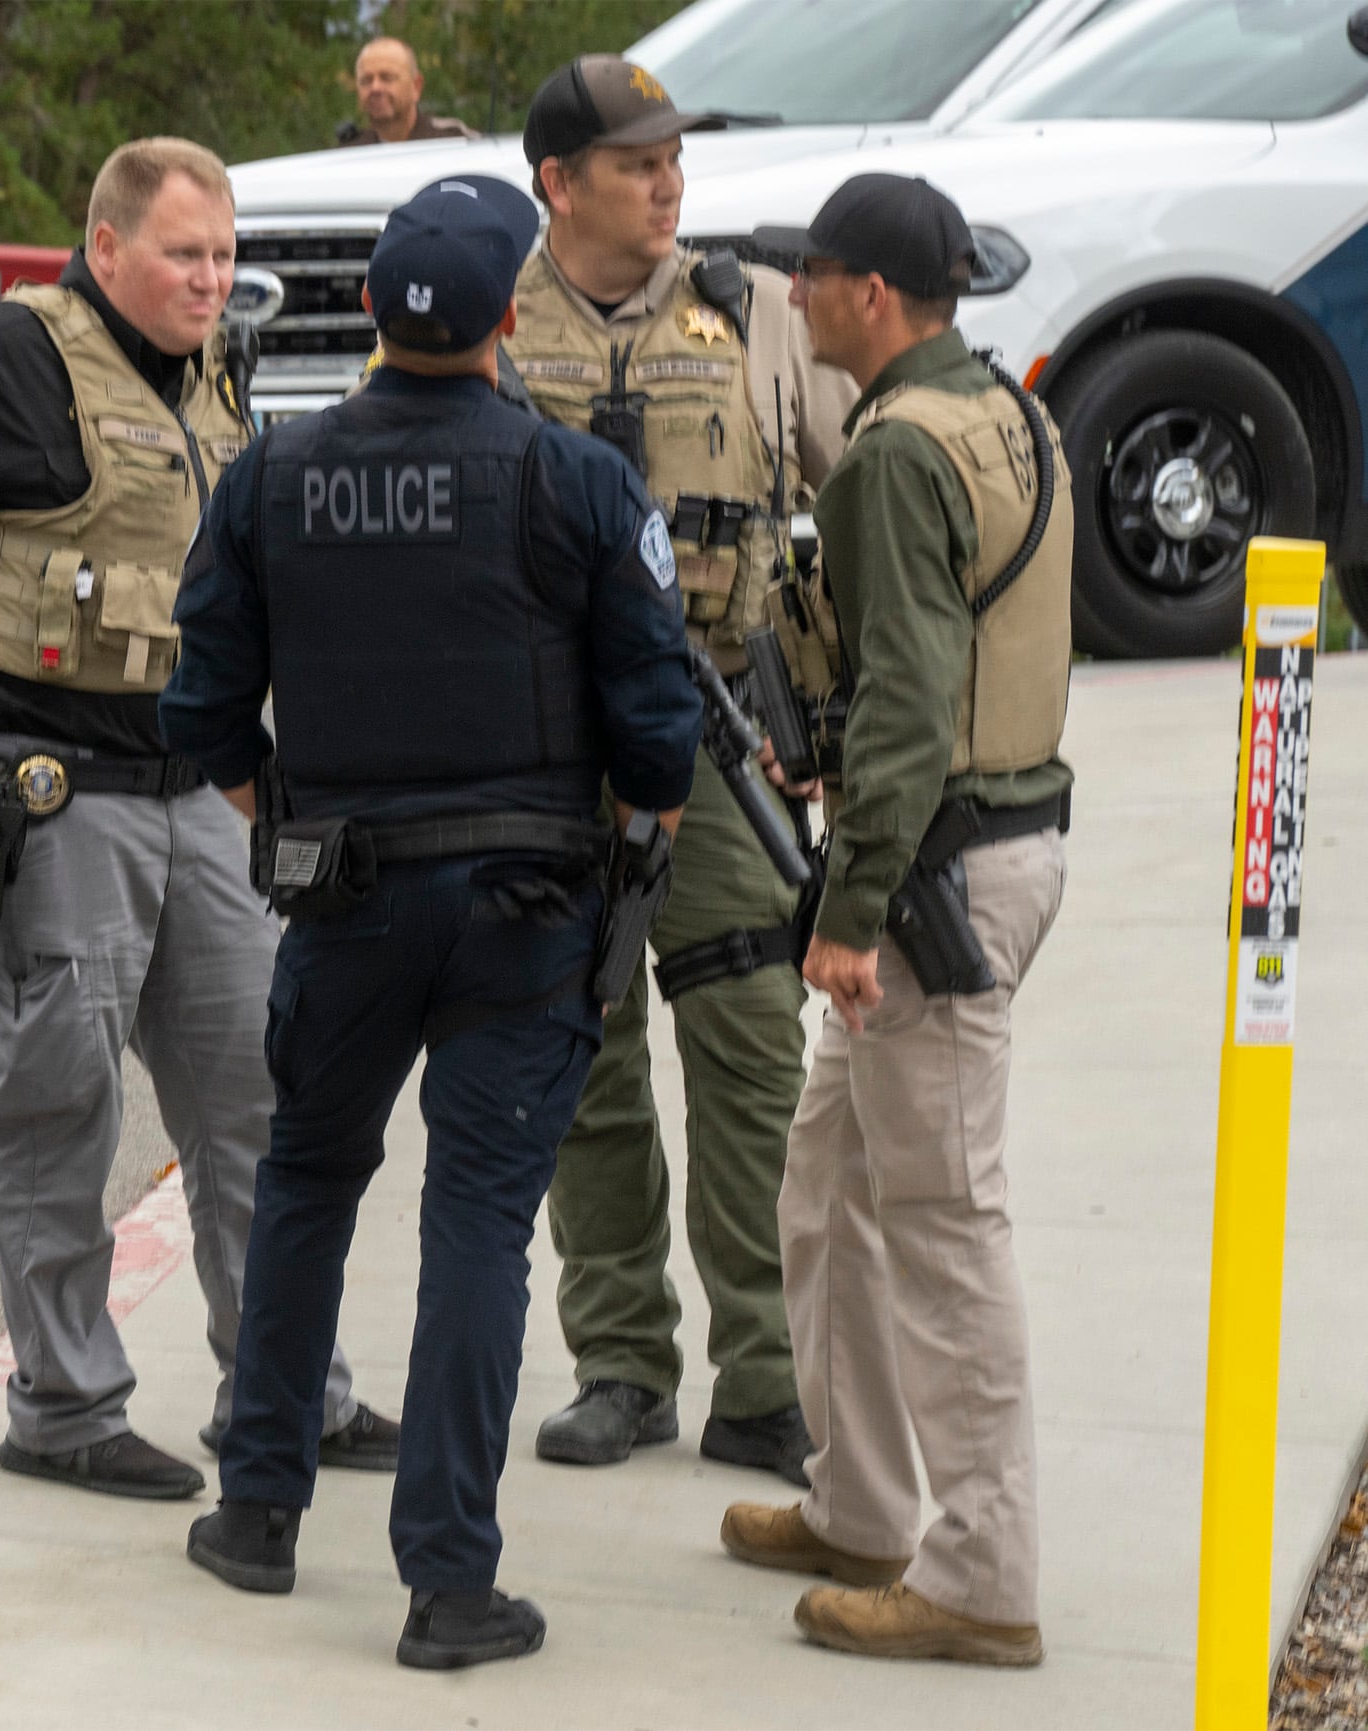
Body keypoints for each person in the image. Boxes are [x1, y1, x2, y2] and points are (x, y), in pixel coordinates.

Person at [0, 137, 397, 1503]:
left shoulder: (211, 373)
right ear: (109, 244)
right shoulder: (3, 354)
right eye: (186, 254)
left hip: (201, 794)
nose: (211, 278)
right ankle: (64, 1405)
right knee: (61, 1104)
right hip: (51, 794)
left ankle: (289, 1388)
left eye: (224, 255)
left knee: (267, 1095)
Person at [165, 176, 700, 1669]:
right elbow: (660, 732)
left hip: (339, 891)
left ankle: (258, 1508)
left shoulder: (273, 477)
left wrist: (285, 814)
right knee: (477, 1223)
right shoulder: (573, 479)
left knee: (306, 1182)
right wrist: (630, 825)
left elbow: (201, 708)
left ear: (370, 318)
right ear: (508, 318)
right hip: (527, 908)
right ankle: (448, 1584)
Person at [720, 172, 1072, 1667]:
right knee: (828, 1185)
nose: (795, 296)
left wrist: (850, 907)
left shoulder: (891, 456)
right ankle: (862, 1498)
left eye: (812, 275)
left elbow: (918, 700)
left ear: (870, 293)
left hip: (930, 876)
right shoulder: (1005, 408)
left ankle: (982, 1575)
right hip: (998, 837)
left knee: (940, 1225)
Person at [506, 54, 855, 1485]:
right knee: (579, 1053)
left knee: (750, 1050)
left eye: (675, 158)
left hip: (722, 736)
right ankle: (622, 1361)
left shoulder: (756, 314)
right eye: (639, 161)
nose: (670, 184)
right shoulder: (485, 315)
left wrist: (842, 718)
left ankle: (766, 1376)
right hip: (544, 739)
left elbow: (869, 484)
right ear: (559, 184)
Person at [335, 37, 479, 146]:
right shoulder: (349, 156)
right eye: (366, 80)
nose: (375, 88)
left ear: (416, 86)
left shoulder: (455, 144)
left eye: (387, 78)